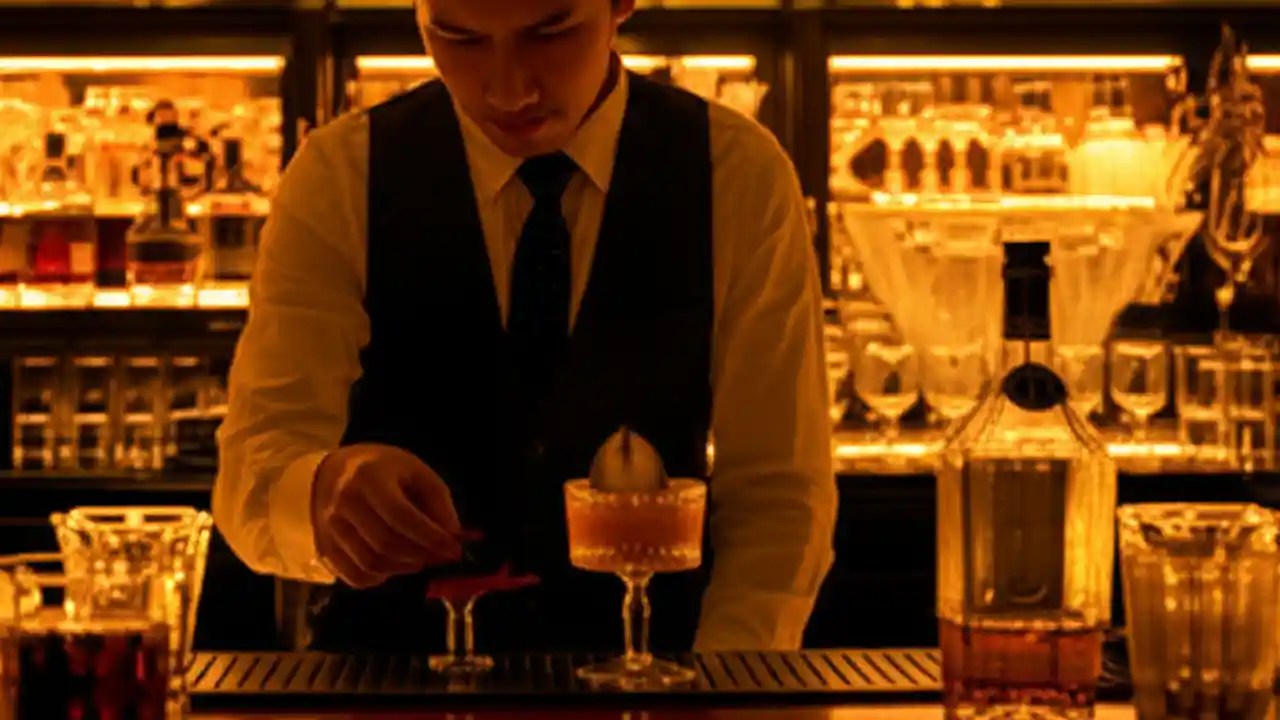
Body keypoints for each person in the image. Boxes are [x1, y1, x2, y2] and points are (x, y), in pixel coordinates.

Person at [213, 0, 836, 653]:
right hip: (388, 683)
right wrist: (320, 493)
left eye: (550, 33)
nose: (509, 89)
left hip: (657, 677)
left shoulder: (737, 174)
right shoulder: (339, 174)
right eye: (459, 38)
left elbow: (778, 491)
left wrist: (723, 685)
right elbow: (256, 468)